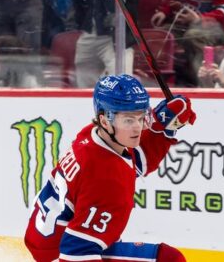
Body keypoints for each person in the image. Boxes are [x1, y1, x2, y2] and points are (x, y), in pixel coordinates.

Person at [24, 74, 194, 262]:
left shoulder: (92, 134)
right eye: (129, 120)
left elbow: (132, 161)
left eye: (141, 117)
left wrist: (161, 127)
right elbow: (76, 253)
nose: (138, 128)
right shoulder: (107, 180)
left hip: (44, 239)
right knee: (169, 259)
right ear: (105, 121)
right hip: (62, 254)